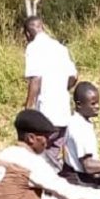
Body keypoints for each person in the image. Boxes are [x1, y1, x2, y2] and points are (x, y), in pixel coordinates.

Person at [23, 16, 78, 169]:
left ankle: (57, 186)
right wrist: (60, 89)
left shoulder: (33, 47)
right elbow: (74, 77)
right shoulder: (60, 48)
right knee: (51, 157)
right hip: (64, 114)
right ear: (43, 27)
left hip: (47, 115)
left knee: (38, 158)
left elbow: (35, 80)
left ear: (27, 34)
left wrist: (27, 113)